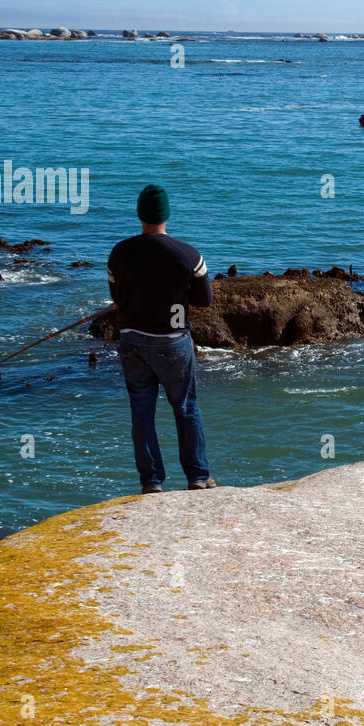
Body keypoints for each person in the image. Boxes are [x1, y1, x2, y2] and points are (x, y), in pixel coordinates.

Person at [106, 184, 215, 494]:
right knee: (186, 408)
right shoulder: (188, 255)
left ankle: (151, 481)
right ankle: (197, 476)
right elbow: (204, 300)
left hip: (132, 341)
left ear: (140, 214)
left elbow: (117, 296)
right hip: (173, 342)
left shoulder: (120, 252)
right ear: (167, 215)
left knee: (142, 412)